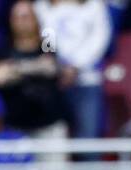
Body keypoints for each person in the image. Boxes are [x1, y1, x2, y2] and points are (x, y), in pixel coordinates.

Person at [34, 0, 113, 139]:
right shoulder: (42, 7)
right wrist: (58, 65)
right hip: (54, 81)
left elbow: (99, 38)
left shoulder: (94, 5)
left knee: (88, 137)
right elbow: (46, 34)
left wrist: (76, 66)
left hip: (88, 80)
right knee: (54, 134)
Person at [0, 0, 67, 137]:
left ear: (35, 19)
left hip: (49, 125)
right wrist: (35, 67)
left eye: (25, 17)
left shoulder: (47, 43)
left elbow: (50, 67)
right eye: (16, 17)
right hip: (16, 127)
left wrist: (14, 69)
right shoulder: (5, 47)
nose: (21, 22)